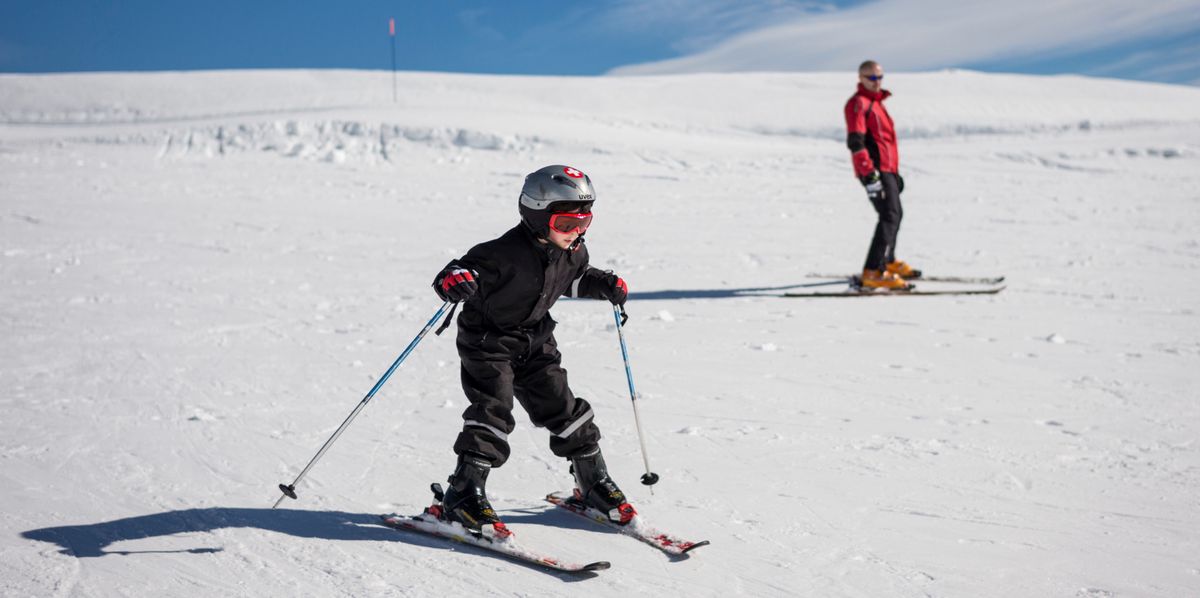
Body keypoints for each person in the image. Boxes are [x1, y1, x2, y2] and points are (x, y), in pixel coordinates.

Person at [430, 164, 633, 537]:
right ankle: (463, 494)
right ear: (537, 215)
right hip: (488, 343)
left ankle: (592, 481)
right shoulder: (499, 254)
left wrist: (600, 284)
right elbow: (457, 273)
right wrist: (454, 280)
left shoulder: (573, 252)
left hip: (536, 340)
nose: (578, 233)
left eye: (585, 222)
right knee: (493, 410)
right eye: (567, 224)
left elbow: (567, 281)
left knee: (563, 406)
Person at [844, 60, 921, 290]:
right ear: (861, 79)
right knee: (889, 215)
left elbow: (885, 142)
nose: (877, 82)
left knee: (894, 215)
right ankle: (873, 271)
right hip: (874, 170)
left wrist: (893, 174)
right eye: (872, 78)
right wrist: (870, 175)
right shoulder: (859, 103)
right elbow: (856, 141)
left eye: (880, 77)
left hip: (887, 169)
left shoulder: (876, 104)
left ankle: (888, 261)